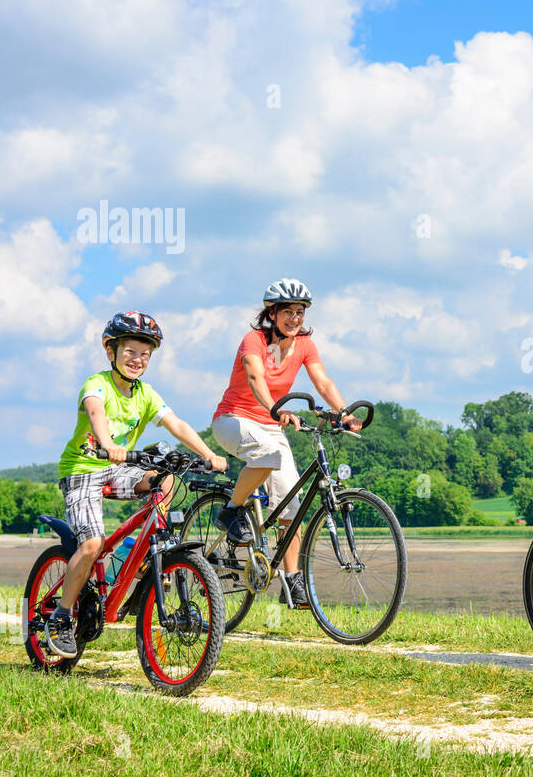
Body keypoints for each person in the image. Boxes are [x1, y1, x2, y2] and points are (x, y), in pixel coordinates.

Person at [47, 312, 228, 657]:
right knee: (91, 545)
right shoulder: (96, 384)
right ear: (110, 351)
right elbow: (97, 413)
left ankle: (143, 549)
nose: (137, 360)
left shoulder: (145, 394)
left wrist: (208, 454)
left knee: (167, 479)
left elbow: (176, 424)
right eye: (130, 351)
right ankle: (61, 617)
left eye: (145, 355)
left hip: (120, 470)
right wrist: (108, 443)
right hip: (84, 468)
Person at [209, 278, 361, 608]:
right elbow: (254, 378)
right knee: (267, 454)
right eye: (288, 312)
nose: (295, 318)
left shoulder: (305, 343)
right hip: (233, 420)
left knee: (292, 504)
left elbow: (322, 381)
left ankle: (292, 582)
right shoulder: (254, 339)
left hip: (270, 425)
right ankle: (231, 511)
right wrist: (276, 409)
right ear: (272, 312)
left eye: (300, 312)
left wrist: (343, 412)